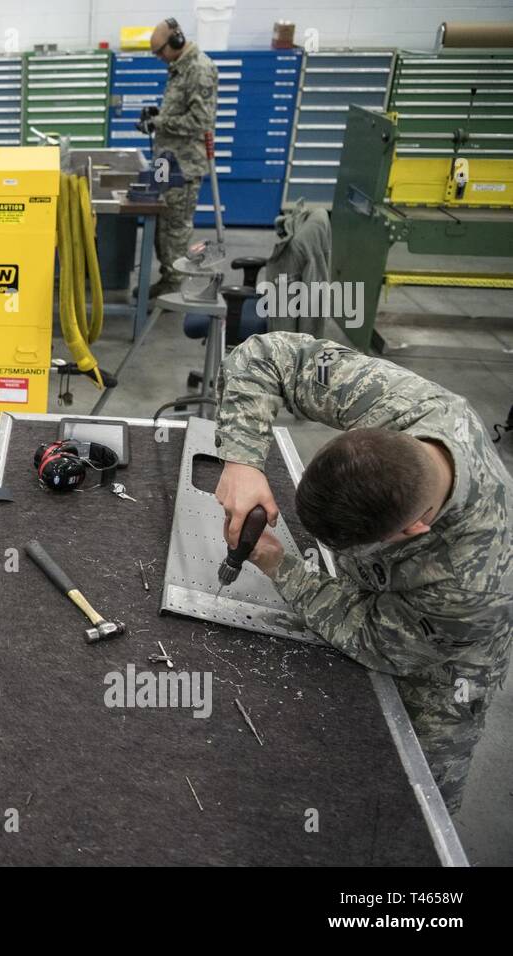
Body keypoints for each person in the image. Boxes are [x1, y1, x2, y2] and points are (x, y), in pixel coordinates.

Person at [214, 332, 513, 812]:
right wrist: (243, 460)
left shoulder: (472, 587)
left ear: (412, 530)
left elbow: (377, 637)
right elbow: (266, 355)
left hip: (441, 663)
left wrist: (280, 566)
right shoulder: (396, 403)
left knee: (409, 802)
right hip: (398, 590)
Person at [138, 17, 219, 298]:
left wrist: (161, 122)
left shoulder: (199, 69)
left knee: (176, 227)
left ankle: (175, 285)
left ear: (176, 42)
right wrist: (157, 117)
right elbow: (178, 112)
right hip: (166, 161)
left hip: (183, 166)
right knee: (161, 222)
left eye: (160, 51)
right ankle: (168, 277)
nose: (159, 57)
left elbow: (200, 121)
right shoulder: (178, 68)